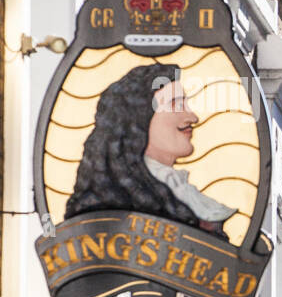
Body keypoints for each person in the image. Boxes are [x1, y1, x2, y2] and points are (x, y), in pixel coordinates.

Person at [65, 64, 236, 240]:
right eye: (176, 104)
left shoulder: (187, 195)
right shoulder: (103, 202)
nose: (193, 117)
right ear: (139, 118)